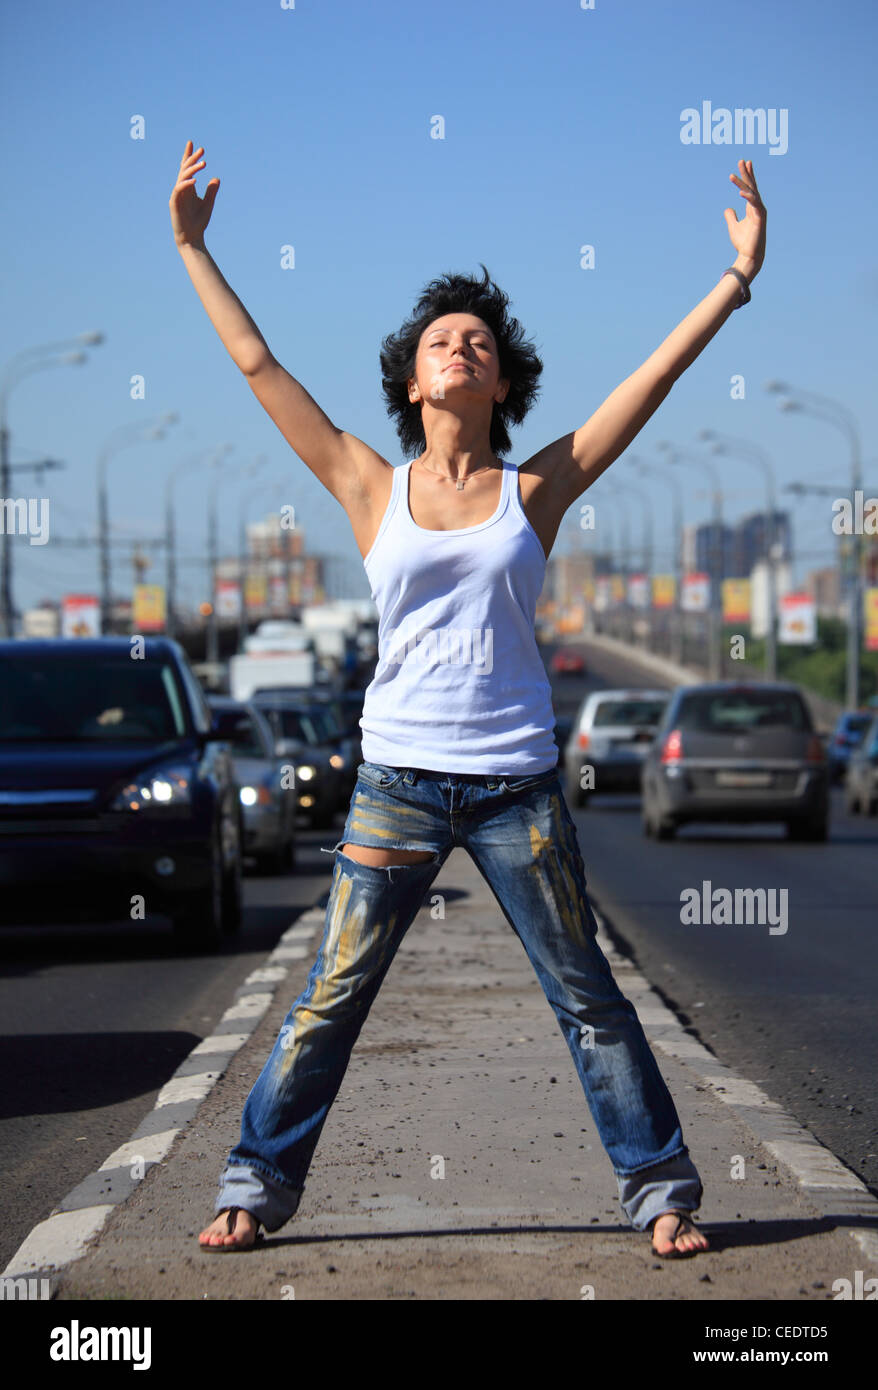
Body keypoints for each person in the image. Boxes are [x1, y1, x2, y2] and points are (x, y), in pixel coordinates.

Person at [169, 141, 766, 1258]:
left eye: (480, 345)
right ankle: (253, 1183)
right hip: (395, 781)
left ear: (500, 385)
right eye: (443, 341)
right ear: (412, 380)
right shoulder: (364, 482)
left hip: (513, 787)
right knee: (329, 998)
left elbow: (650, 382)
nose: (461, 349)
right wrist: (195, 249)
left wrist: (733, 279)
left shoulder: (533, 490)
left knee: (585, 994)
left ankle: (661, 1192)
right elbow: (258, 366)